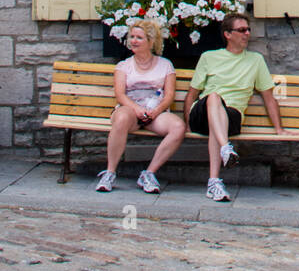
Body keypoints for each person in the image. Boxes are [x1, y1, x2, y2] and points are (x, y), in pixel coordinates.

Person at [184, 12, 286, 201]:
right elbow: (192, 94)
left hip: (231, 117)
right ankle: (225, 150)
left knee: (218, 121)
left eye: (248, 30)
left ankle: (214, 181)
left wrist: (279, 129)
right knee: (214, 97)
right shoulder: (209, 57)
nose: (247, 33)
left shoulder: (255, 60)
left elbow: (268, 97)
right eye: (241, 30)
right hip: (201, 113)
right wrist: (187, 125)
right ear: (227, 34)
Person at [95, 19, 186, 193]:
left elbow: (169, 95)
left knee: (178, 126)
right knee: (121, 119)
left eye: (139, 37)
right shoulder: (124, 66)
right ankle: (110, 172)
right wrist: (137, 109)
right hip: (130, 108)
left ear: (151, 42)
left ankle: (149, 173)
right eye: (132, 37)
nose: (133, 41)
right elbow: (120, 94)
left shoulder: (165, 65)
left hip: (155, 110)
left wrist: (156, 111)